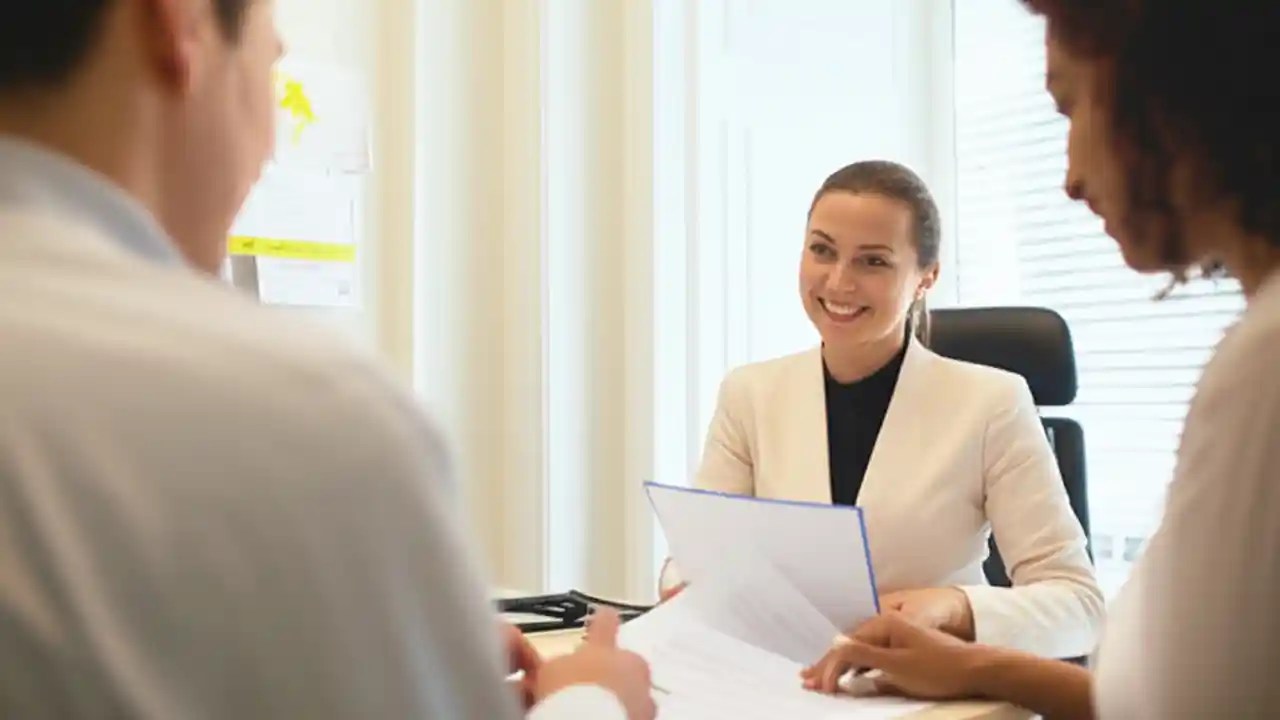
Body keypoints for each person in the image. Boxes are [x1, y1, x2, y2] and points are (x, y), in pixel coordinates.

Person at [0, 1, 651, 718]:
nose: (271, 144)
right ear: (180, 26)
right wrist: (593, 699)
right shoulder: (299, 418)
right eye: (270, 63)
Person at [802, 2, 1280, 718]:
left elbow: (1165, 681)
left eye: (1072, 107)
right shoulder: (1251, 351)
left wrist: (964, 625)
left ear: (1178, 94)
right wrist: (977, 670)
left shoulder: (1262, 368)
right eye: (821, 250)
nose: (1071, 178)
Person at [661, 160, 1103, 659]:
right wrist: (685, 581)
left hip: (925, 689)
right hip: (782, 680)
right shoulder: (750, 394)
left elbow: (1079, 606)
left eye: (873, 261)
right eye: (822, 251)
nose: (838, 281)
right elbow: (698, 558)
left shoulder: (991, 404)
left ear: (925, 278)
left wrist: (954, 608)